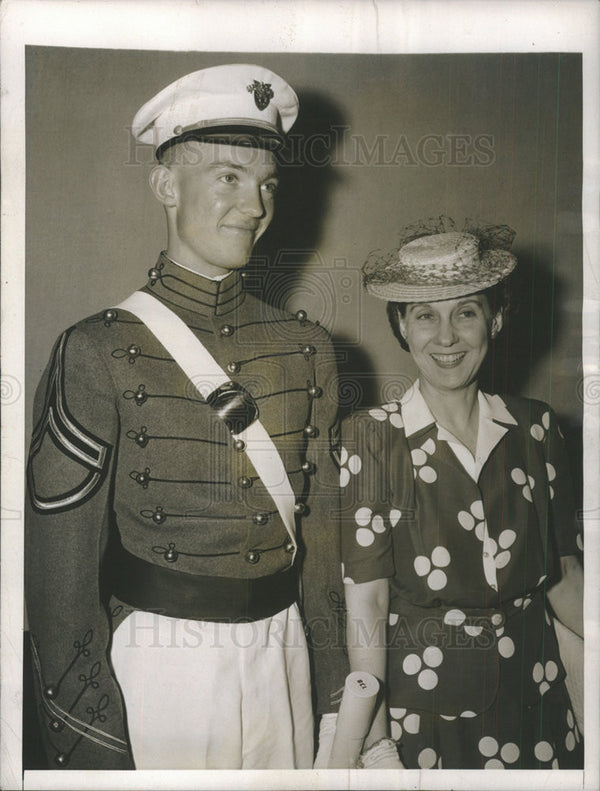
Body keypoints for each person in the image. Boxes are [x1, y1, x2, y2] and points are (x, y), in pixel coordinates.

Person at [25, 63, 347, 770]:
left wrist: (336, 706)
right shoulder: (98, 348)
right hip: (161, 674)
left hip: (283, 661)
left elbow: (321, 559)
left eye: (267, 183)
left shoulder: (307, 348)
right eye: (228, 176)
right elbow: (59, 587)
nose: (255, 204)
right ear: (167, 186)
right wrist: (90, 746)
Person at [339, 218, 584, 768]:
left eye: (465, 312)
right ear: (402, 326)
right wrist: (376, 744)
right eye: (425, 315)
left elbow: (565, 579)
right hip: (426, 715)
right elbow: (367, 604)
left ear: (494, 320)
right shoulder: (372, 436)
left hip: (538, 700)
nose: (445, 337)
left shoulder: (538, 428)